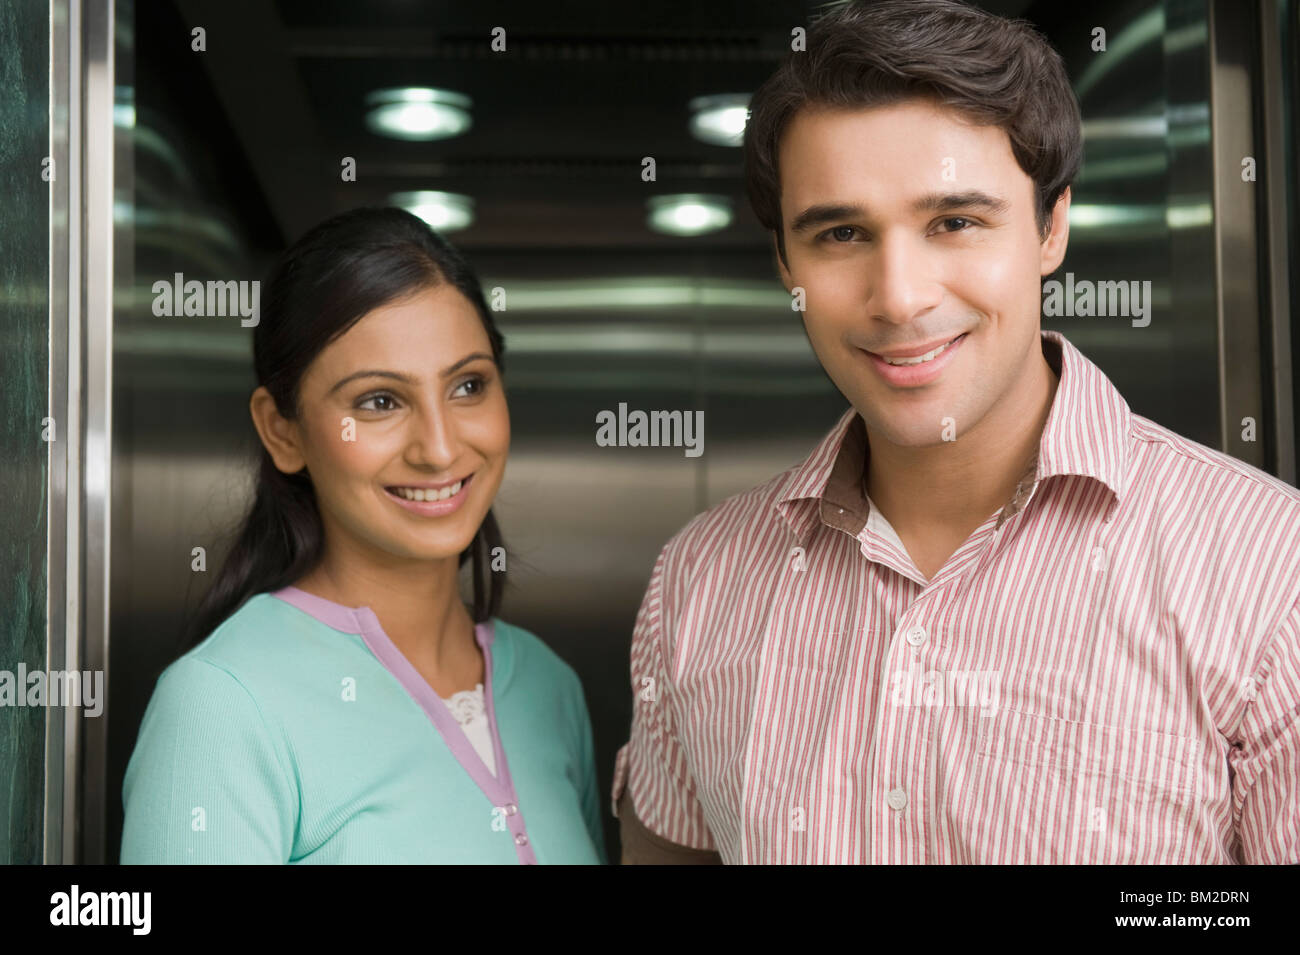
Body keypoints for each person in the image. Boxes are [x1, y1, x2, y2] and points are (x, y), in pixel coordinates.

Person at [613, 0, 1300, 864]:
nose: (899, 296)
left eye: (955, 222)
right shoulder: (698, 582)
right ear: (787, 262)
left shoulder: (1275, 572)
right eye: (841, 233)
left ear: (1051, 226)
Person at [122, 207, 606, 864]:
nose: (439, 448)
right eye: (379, 400)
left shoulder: (550, 690)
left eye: (468, 385)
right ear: (282, 430)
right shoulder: (221, 706)